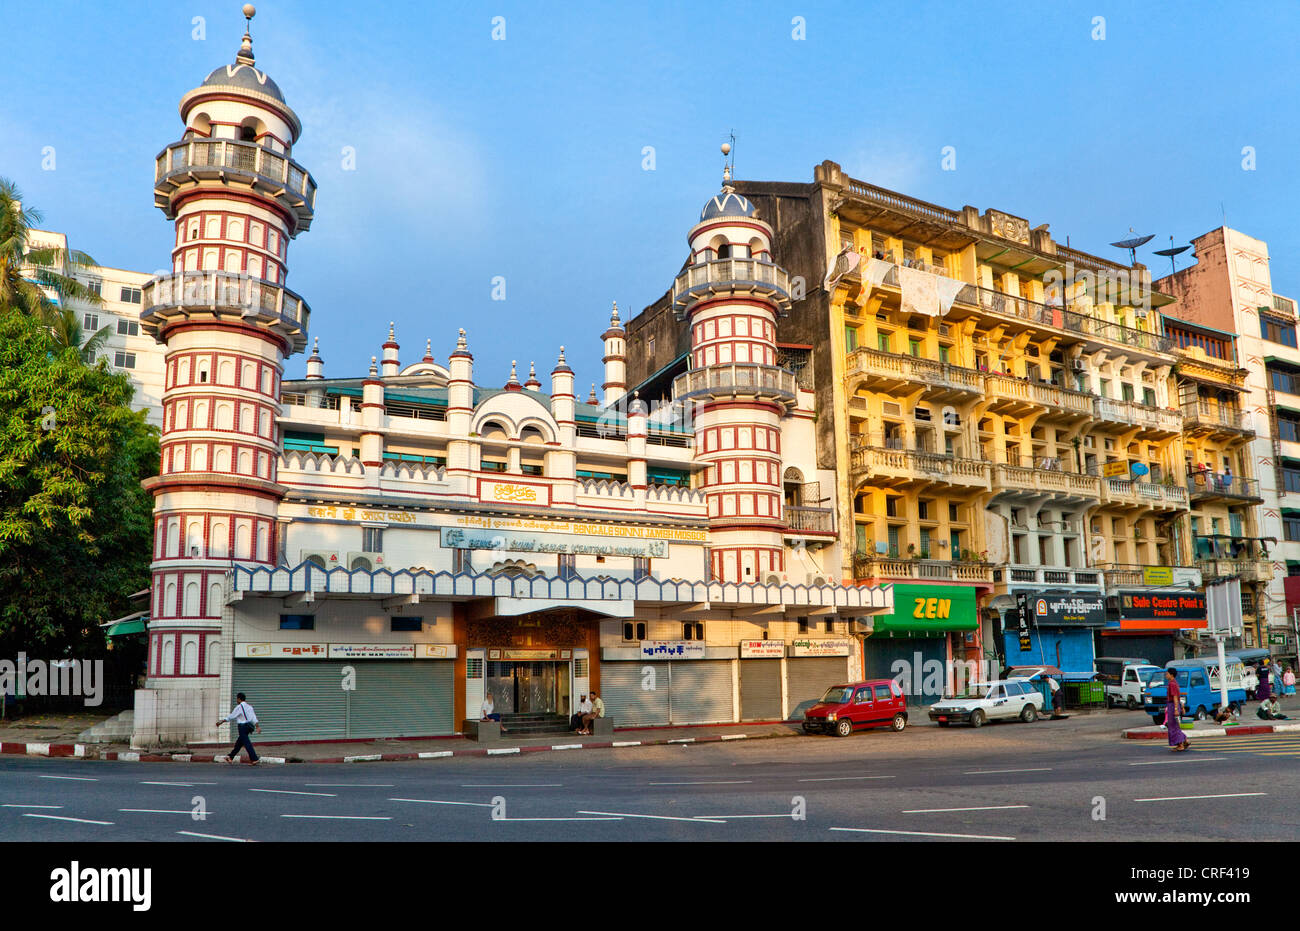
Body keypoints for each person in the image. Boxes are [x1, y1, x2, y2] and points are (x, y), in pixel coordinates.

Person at [216, 692, 260, 765]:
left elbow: (232, 716)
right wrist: (257, 726)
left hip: (242, 727)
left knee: (247, 743)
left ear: (239, 699)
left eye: (237, 699)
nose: (237, 700)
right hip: (248, 727)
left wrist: (222, 721)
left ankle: (254, 759)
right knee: (239, 743)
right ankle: (230, 757)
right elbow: (254, 717)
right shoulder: (249, 707)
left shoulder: (239, 707)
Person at [1163, 668, 1189, 752]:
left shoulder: (1172, 684)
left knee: (1173, 726)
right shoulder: (1173, 683)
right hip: (1173, 705)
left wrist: (1175, 709)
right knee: (1174, 725)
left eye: (1167, 674)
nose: (1166, 675)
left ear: (1171, 675)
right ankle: (1184, 740)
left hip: (1173, 705)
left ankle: (1180, 744)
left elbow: (1175, 697)